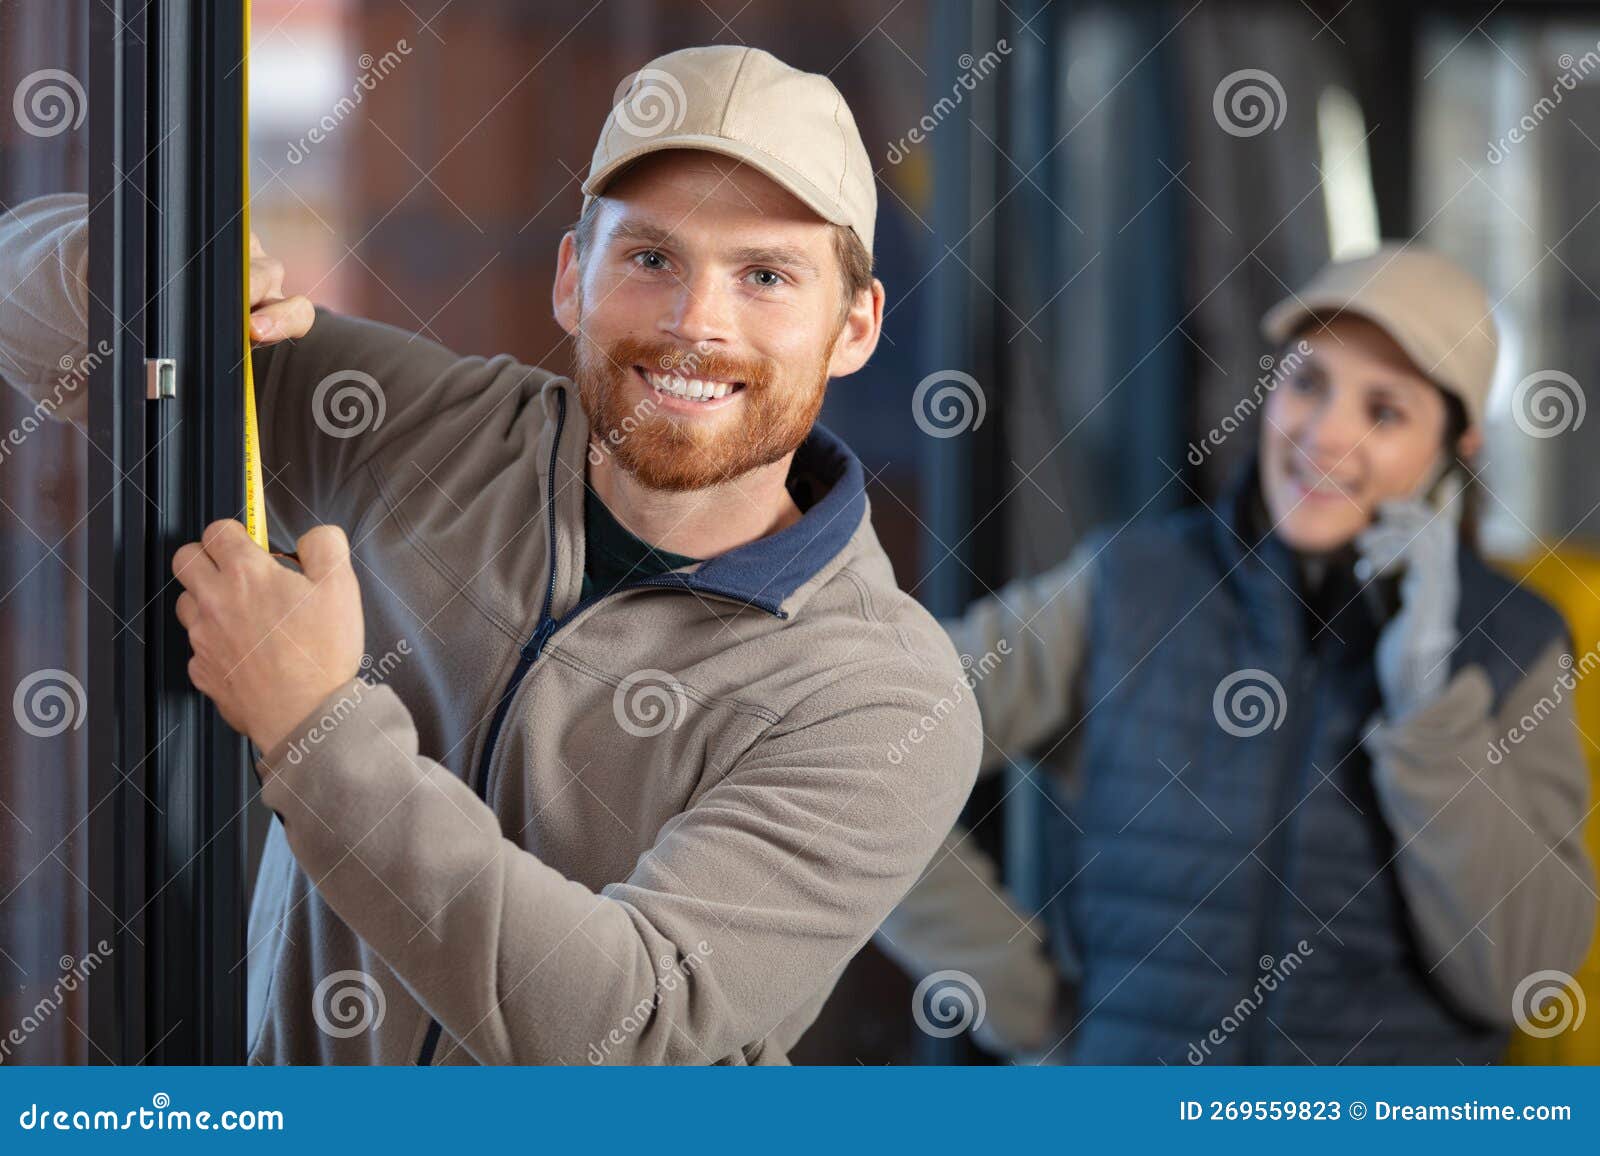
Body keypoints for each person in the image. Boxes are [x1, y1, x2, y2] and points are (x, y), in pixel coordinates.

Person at [0, 45, 981, 1064]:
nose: (697, 323)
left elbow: (629, 1028)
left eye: (765, 275)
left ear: (855, 326)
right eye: (650, 259)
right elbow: (28, 322)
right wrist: (158, 280)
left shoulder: (879, 694)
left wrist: (316, 726)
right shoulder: (420, 424)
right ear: (572, 279)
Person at [879, 246, 1597, 1064]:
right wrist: (1030, 1009)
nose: (1325, 435)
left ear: (1459, 445)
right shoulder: (1126, 585)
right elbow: (864, 755)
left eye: (1385, 412)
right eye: (1307, 381)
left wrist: (1431, 716)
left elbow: (1523, 975)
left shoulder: (1516, 642)